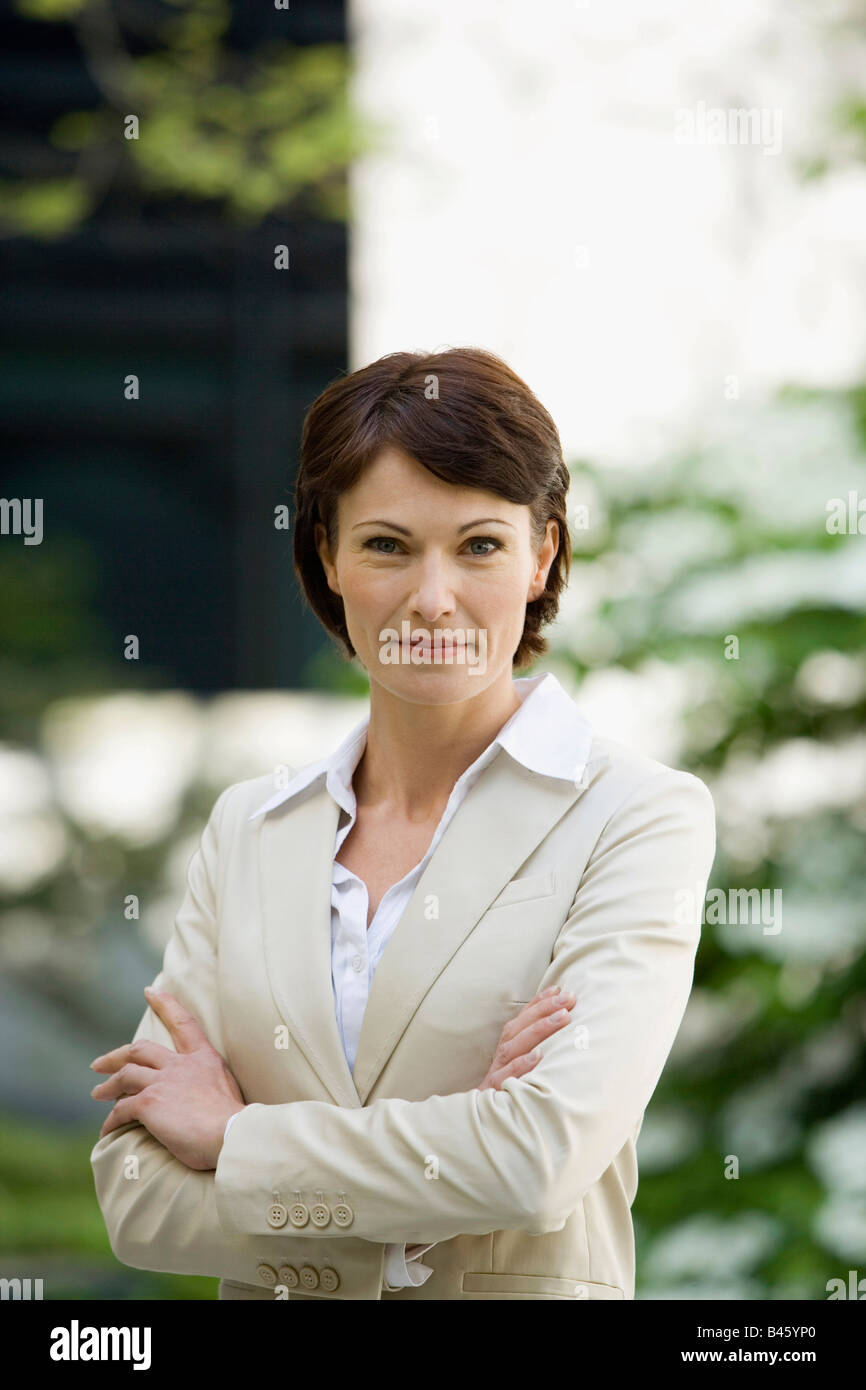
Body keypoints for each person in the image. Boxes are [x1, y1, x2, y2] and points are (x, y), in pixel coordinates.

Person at [90, 346, 716, 1300]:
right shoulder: (251, 828)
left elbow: (538, 1159)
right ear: (328, 555)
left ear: (543, 552)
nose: (433, 598)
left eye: (479, 545)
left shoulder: (636, 818)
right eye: (387, 544)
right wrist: (426, 1194)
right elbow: (135, 1195)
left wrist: (236, 1139)